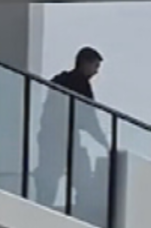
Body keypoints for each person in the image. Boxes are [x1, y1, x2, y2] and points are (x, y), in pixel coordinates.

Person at [34, 47, 109, 209]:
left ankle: (43, 205)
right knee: (78, 173)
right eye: (95, 66)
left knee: (51, 175)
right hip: (61, 138)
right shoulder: (80, 84)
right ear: (84, 63)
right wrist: (104, 142)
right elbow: (89, 119)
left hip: (52, 136)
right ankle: (83, 207)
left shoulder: (60, 80)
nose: (96, 72)